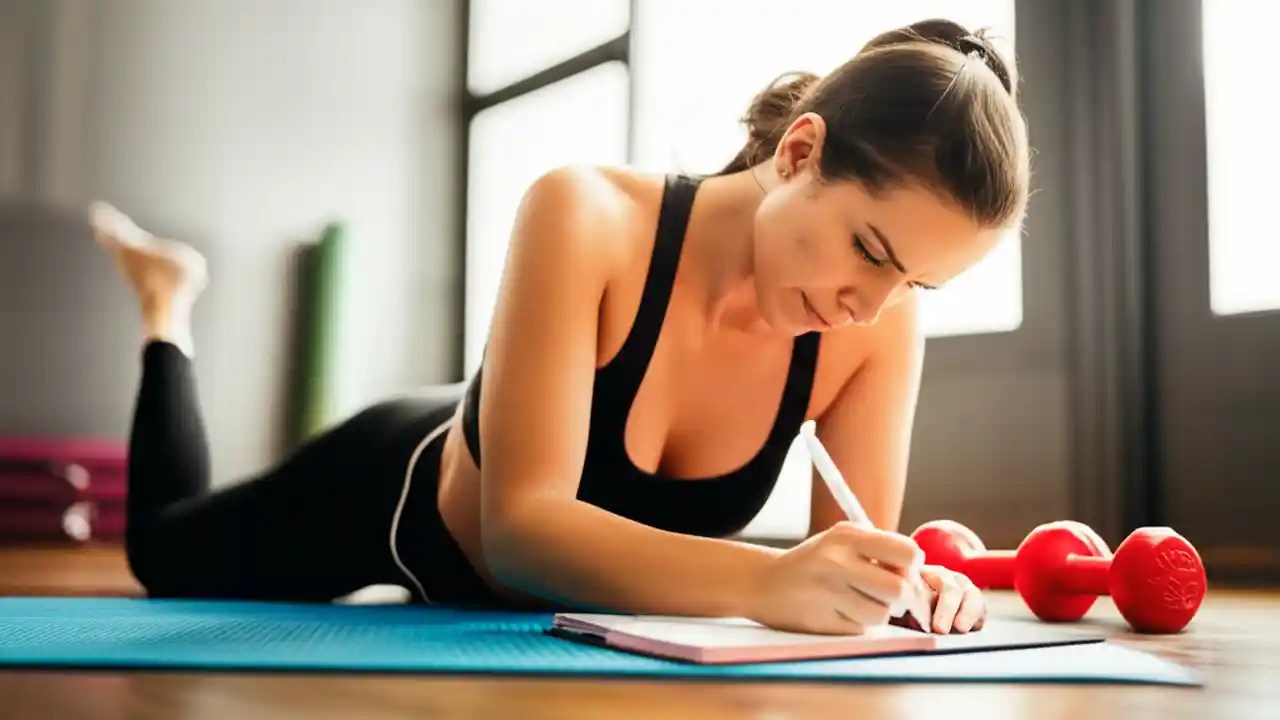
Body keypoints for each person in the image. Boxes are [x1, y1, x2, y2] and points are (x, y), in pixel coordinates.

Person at [90, 18, 1027, 636]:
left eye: (915, 282)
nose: (873, 302)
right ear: (800, 150)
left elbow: (850, 567)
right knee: (165, 557)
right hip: (396, 485)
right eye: (869, 249)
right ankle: (168, 305)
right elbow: (523, 536)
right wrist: (765, 580)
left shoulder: (875, 327)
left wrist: (899, 589)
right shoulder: (585, 214)